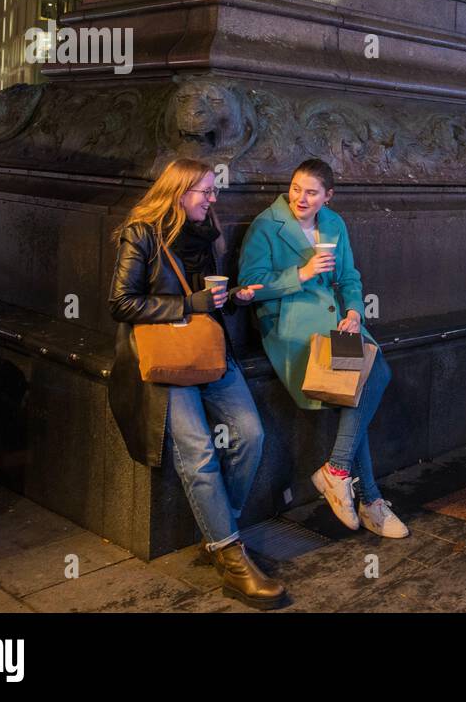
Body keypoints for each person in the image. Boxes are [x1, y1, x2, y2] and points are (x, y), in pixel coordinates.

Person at [107, 158, 285, 609]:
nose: (213, 198)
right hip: (165, 358)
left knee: (251, 434)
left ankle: (220, 529)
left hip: (207, 351)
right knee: (198, 450)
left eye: (213, 190)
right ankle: (231, 556)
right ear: (179, 191)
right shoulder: (142, 232)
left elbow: (209, 301)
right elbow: (122, 302)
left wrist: (230, 300)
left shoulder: (207, 232)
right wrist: (189, 303)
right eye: (205, 191)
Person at [238, 158, 409, 539]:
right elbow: (248, 287)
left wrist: (352, 312)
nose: (300, 197)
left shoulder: (333, 224)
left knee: (371, 373)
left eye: (311, 192)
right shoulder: (267, 226)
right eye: (296, 188)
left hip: (334, 324)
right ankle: (371, 501)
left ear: (327, 197)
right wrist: (301, 273)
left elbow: (349, 277)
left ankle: (338, 472)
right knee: (355, 389)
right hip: (291, 326)